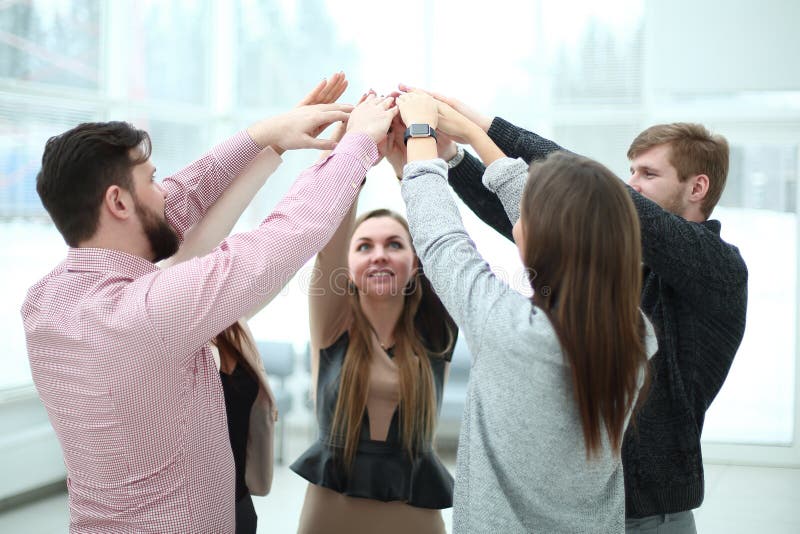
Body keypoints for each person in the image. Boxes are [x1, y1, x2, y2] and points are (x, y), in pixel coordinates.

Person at [21, 78, 398, 533]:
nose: (166, 191)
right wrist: (356, 146)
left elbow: (180, 201)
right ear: (118, 201)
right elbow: (281, 238)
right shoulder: (146, 312)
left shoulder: (44, 301)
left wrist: (265, 137)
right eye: (153, 180)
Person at [402, 84, 749, 533]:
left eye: (647, 174)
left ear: (697, 187)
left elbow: (580, 197)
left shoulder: (717, 268)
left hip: (653, 518)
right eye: (629, 172)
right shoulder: (631, 300)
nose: (630, 185)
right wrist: (454, 157)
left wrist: (480, 128)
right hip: (598, 512)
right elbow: (547, 226)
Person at [159, 73, 349, 534]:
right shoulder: (160, 312)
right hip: (178, 514)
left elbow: (287, 236)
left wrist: (281, 142)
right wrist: (347, 156)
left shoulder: (230, 320)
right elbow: (282, 233)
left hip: (236, 506)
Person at [289, 109, 458, 534]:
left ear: (415, 263)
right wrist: (355, 158)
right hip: (330, 512)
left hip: (415, 512)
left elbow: (442, 237)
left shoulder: (435, 334)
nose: (379, 254)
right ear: (348, 266)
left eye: (394, 245)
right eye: (364, 246)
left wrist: (408, 169)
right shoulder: (332, 325)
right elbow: (329, 241)